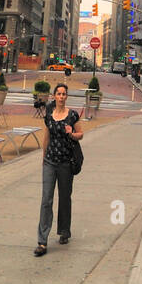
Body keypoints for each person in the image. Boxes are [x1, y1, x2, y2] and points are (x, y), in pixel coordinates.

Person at [34, 83, 83, 256]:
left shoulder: (72, 115)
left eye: (64, 94)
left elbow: (81, 134)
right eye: (59, 94)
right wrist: (43, 157)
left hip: (65, 163)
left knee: (64, 198)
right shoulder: (49, 116)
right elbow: (46, 137)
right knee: (46, 200)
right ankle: (42, 241)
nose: (61, 96)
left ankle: (64, 231)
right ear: (54, 96)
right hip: (50, 162)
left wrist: (71, 133)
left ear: (66, 96)